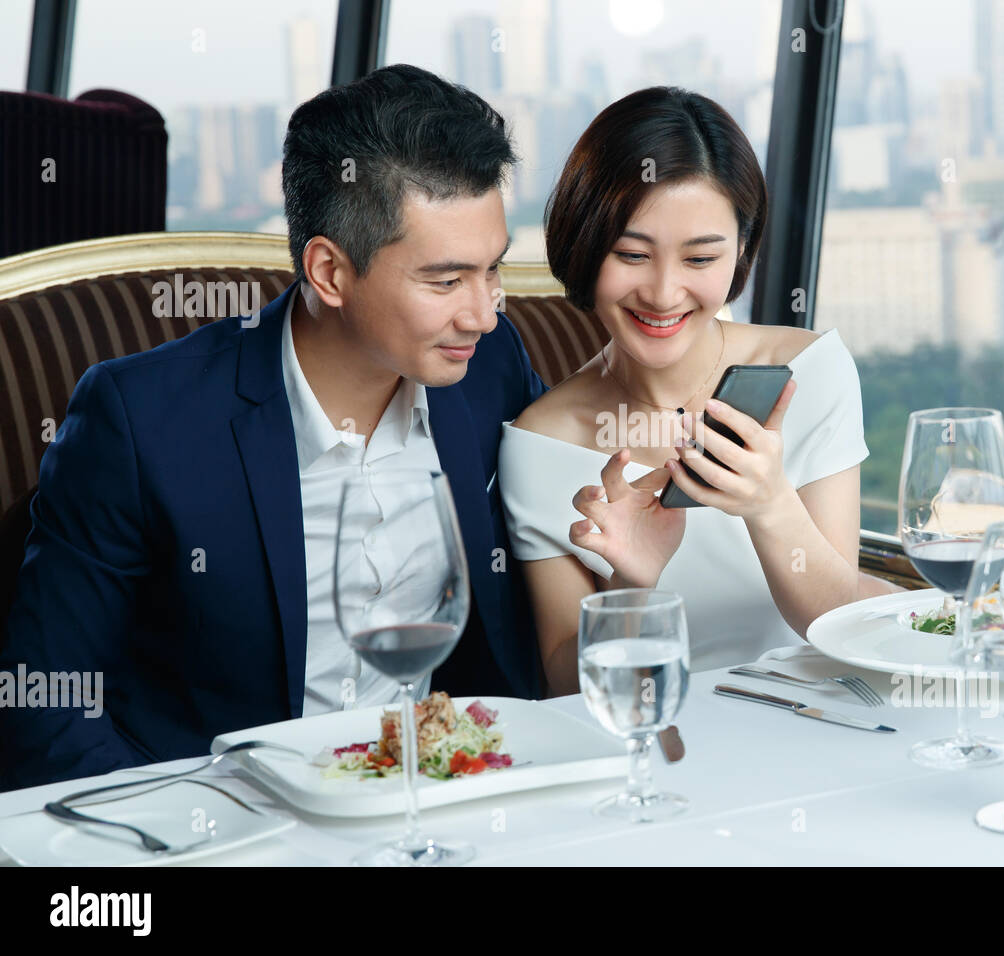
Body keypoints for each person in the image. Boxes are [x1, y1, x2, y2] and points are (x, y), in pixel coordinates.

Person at [0, 65, 547, 791]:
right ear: (328, 272)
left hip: (444, 797)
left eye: (493, 271)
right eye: (445, 281)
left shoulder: (488, 367)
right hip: (220, 816)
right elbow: (47, 701)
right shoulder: (141, 421)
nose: (483, 312)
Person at [499, 87, 902, 695]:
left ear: (740, 251)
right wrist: (631, 589)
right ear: (583, 245)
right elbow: (564, 684)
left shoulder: (812, 371)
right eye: (632, 254)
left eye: (700, 258)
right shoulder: (540, 444)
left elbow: (835, 623)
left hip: (825, 725)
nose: (663, 293)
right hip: (659, 747)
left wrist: (771, 506)